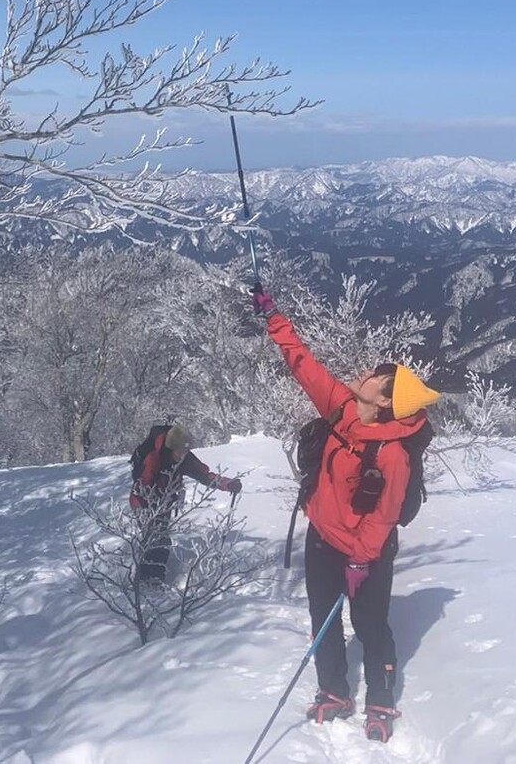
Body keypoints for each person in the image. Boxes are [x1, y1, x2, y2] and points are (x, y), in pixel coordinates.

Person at [252, 285, 439, 744]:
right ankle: (333, 690)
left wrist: (360, 558)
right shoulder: (342, 409)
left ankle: (380, 699)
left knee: (372, 625)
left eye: (378, 375)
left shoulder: (392, 453)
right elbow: (302, 364)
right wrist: (273, 317)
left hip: (366, 552)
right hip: (322, 537)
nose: (368, 372)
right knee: (324, 618)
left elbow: (385, 514)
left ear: (384, 402)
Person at [128, 422, 242, 582]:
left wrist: (227, 484)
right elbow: (142, 487)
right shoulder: (154, 457)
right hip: (143, 503)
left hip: (163, 504)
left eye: (186, 450)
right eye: (181, 451)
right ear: (171, 447)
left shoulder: (184, 458)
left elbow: (204, 475)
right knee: (156, 540)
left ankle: (150, 580)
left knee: (159, 541)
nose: (183, 454)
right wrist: (153, 506)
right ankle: (147, 582)